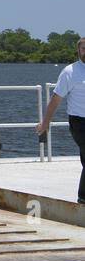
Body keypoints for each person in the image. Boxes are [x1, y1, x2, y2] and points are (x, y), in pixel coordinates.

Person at [37, 36, 85, 203]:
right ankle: (83, 199)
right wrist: (45, 123)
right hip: (79, 123)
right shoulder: (70, 72)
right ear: (78, 51)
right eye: (83, 48)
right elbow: (56, 99)